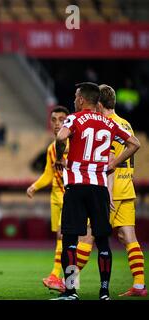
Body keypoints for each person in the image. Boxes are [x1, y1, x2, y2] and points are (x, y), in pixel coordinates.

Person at [52, 82, 140, 300]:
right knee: (102, 241)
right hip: (100, 188)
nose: (74, 100)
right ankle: (104, 292)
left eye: (75, 96)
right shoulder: (109, 123)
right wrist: (113, 163)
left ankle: (71, 290)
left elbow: (61, 138)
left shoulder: (74, 118)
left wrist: (60, 157)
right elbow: (135, 143)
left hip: (76, 186)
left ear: (82, 100)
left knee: (71, 241)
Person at [27, 106, 95, 292]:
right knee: (63, 238)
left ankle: (58, 276)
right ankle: (64, 280)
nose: (57, 124)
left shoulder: (76, 143)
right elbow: (48, 174)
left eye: (61, 119)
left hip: (73, 197)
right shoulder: (51, 148)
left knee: (73, 238)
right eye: (53, 120)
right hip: (56, 198)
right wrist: (35, 186)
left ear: (69, 121)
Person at [99, 84, 146, 297]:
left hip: (112, 188)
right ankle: (139, 285)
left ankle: (68, 283)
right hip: (128, 187)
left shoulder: (106, 125)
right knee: (129, 237)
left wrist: (107, 189)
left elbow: (109, 160)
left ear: (99, 103)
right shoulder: (126, 124)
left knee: (86, 236)